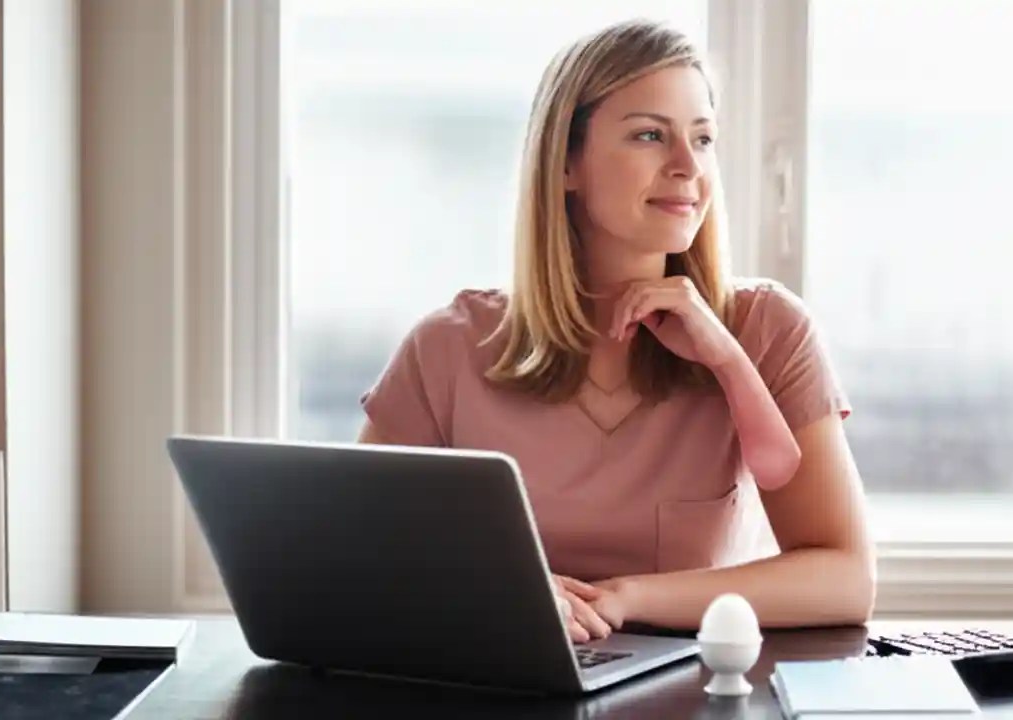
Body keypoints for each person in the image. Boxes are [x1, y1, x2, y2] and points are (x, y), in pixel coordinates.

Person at [358, 19, 875, 643]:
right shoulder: (448, 349)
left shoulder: (768, 330)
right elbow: (356, 558)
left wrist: (626, 598)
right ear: (567, 163)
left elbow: (844, 580)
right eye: (651, 136)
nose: (688, 166)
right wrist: (510, 595)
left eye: (704, 139)